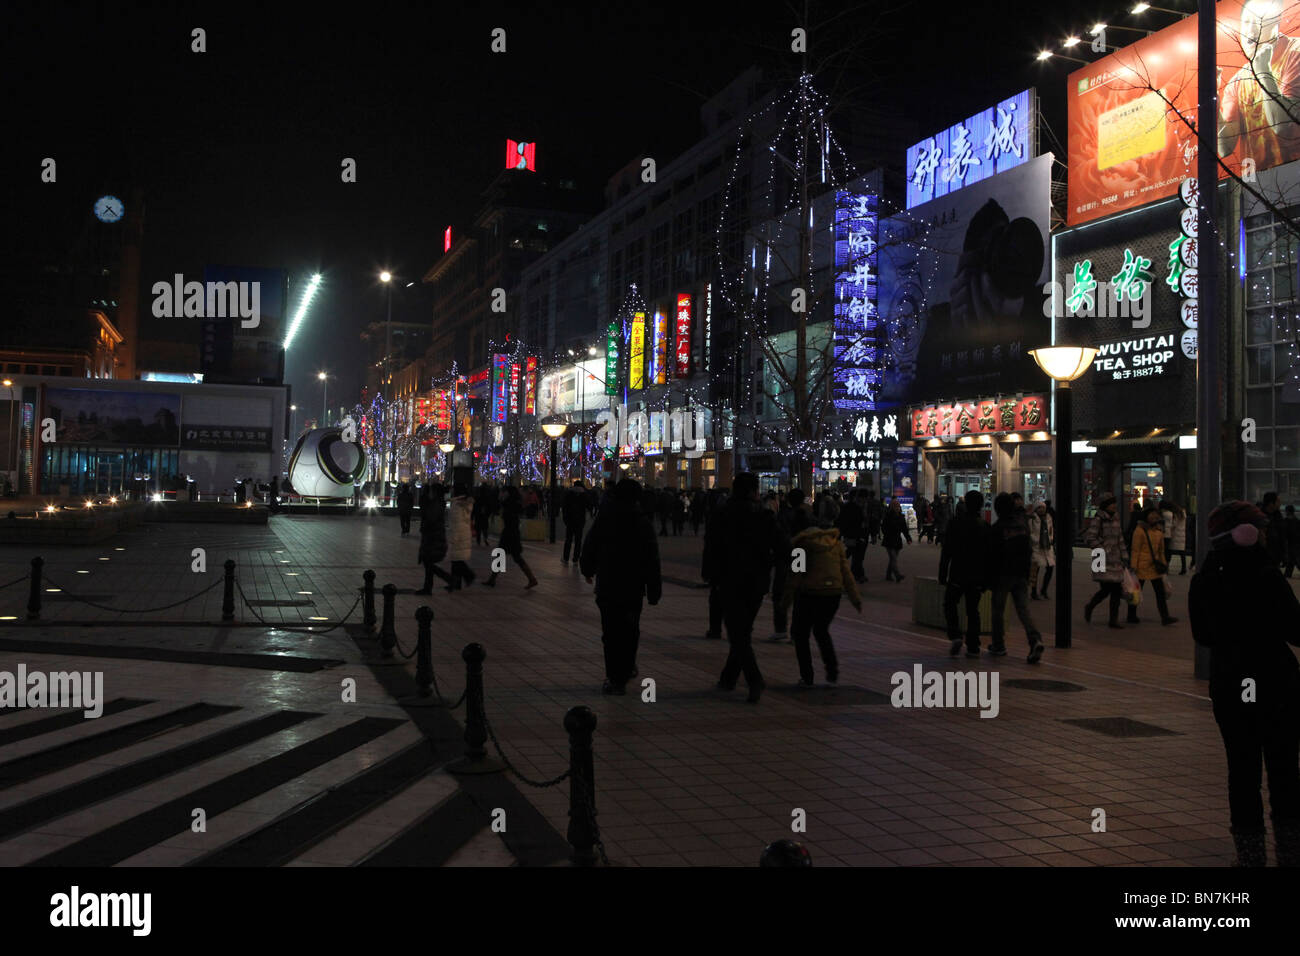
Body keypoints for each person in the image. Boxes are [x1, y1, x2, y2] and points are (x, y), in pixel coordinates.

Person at [1189, 499, 1300, 867]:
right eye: (1260, 528)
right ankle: (1290, 849)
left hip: (1230, 685)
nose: (1265, 533)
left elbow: (1203, 635)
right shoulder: (1266, 574)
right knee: (1284, 769)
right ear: (1245, 534)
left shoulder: (1205, 578)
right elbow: (1296, 630)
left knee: (1242, 771)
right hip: (1277, 683)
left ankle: (1250, 856)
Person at [581, 478, 662, 695]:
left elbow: (590, 545)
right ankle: (626, 668)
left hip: (608, 584)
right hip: (633, 587)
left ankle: (615, 677)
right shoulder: (642, 522)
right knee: (630, 631)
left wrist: (587, 569)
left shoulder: (605, 518)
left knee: (610, 633)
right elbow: (652, 559)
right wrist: (654, 589)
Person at [703, 472, 778, 703]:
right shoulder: (764, 516)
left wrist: (710, 575)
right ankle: (729, 678)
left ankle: (754, 680)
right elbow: (783, 545)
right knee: (742, 631)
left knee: (738, 632)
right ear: (754, 491)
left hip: (729, 580)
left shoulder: (722, 514)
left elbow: (711, 546)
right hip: (756, 582)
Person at [782, 519, 862, 686]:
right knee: (821, 631)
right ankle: (832, 670)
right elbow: (846, 572)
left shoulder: (801, 545)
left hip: (809, 594)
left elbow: (795, 576)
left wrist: (785, 601)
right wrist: (855, 598)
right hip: (833, 594)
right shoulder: (835, 544)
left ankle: (807, 676)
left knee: (801, 634)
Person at [989, 493, 1046, 663]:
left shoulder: (998, 528)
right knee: (1023, 609)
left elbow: (992, 555)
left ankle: (998, 645)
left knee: (998, 610)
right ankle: (1035, 639)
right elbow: (1028, 550)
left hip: (1003, 575)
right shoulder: (1022, 527)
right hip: (1021, 573)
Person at [940, 490, 992, 657]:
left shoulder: (955, 523)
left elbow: (947, 550)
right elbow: (989, 554)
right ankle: (973, 646)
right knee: (973, 610)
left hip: (958, 572)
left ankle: (955, 634)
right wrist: (987, 579)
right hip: (977, 575)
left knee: (950, 603)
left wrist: (942, 572)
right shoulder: (984, 526)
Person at [1083, 495, 1129, 628]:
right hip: (1101, 558)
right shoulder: (1098, 519)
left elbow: (1120, 539)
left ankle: (1113, 619)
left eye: (1114, 503)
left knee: (1115, 589)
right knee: (1106, 589)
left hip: (1115, 560)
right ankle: (1091, 606)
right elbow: (1090, 537)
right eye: (1111, 504)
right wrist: (1102, 549)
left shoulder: (1116, 518)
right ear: (1105, 505)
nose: (1114, 506)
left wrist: (1124, 556)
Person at [1128, 505, 1178, 625]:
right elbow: (1135, 550)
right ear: (1146, 517)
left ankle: (1165, 617)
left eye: (1156, 515)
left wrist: (1164, 564)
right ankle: (1131, 615)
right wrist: (1133, 566)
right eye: (1151, 515)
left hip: (1154, 567)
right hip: (1141, 567)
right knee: (1136, 592)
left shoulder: (1159, 531)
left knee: (1160, 593)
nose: (1154, 517)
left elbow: (1161, 551)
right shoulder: (1139, 530)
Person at [486, 486, 539, 589]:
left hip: (509, 534)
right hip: (512, 533)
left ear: (508, 493)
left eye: (503, 492)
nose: (501, 493)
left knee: (510, 556)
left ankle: (532, 579)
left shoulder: (509, 503)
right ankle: (531, 579)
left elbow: (508, 516)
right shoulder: (513, 502)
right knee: (513, 557)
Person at [415, 484, 450, 594]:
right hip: (434, 536)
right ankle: (429, 587)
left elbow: (431, 519)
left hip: (433, 537)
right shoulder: (437, 502)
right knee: (428, 563)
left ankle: (447, 580)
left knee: (428, 562)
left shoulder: (436, 503)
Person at [445, 483, 477, 590]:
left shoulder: (458, 504)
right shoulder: (464, 503)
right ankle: (455, 583)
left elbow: (457, 522)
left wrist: (454, 537)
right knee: (456, 559)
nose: (451, 491)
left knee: (457, 560)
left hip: (459, 534)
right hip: (463, 533)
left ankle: (469, 576)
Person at [837, 488, 868, 584]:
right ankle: (855, 575)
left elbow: (841, 521)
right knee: (856, 555)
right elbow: (859, 522)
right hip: (855, 535)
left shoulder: (848, 507)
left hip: (852, 535)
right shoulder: (856, 508)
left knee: (855, 554)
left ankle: (856, 574)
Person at [1028, 500, 1055, 600]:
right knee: (1035, 570)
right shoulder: (1032, 518)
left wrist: (1051, 538)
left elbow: (1051, 529)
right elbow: (1030, 531)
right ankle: (1033, 592)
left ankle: (1044, 590)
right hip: (1036, 547)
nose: (1042, 509)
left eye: (1043, 507)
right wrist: (1035, 540)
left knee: (1050, 567)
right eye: (1039, 507)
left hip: (1047, 547)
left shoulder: (1048, 517)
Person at [881, 499, 911, 582]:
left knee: (892, 559)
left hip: (897, 540)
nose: (897, 508)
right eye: (895, 506)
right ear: (892, 507)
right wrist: (887, 533)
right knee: (893, 558)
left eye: (898, 506)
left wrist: (908, 538)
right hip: (889, 540)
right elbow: (883, 527)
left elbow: (904, 529)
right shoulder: (888, 516)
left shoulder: (901, 517)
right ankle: (897, 575)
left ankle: (888, 575)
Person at [561, 479, 589, 566]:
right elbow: (588, 505)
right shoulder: (584, 494)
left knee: (568, 539)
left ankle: (565, 558)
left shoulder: (569, 494)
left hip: (570, 519)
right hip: (580, 520)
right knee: (578, 540)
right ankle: (575, 559)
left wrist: (565, 518)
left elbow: (564, 507)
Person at [1261, 491, 1286, 569]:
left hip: (1276, 555)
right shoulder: (1260, 517)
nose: (1280, 503)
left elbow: (1282, 536)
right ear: (1271, 503)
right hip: (1265, 556)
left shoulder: (1278, 516)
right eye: (1278, 501)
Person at [1286, 504, 1300, 578]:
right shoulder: (1297, 520)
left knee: (1292, 560)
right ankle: (1287, 574)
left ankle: (1287, 574)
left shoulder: (1286, 521)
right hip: (1296, 543)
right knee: (1295, 559)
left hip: (1289, 543)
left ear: (1287, 511)